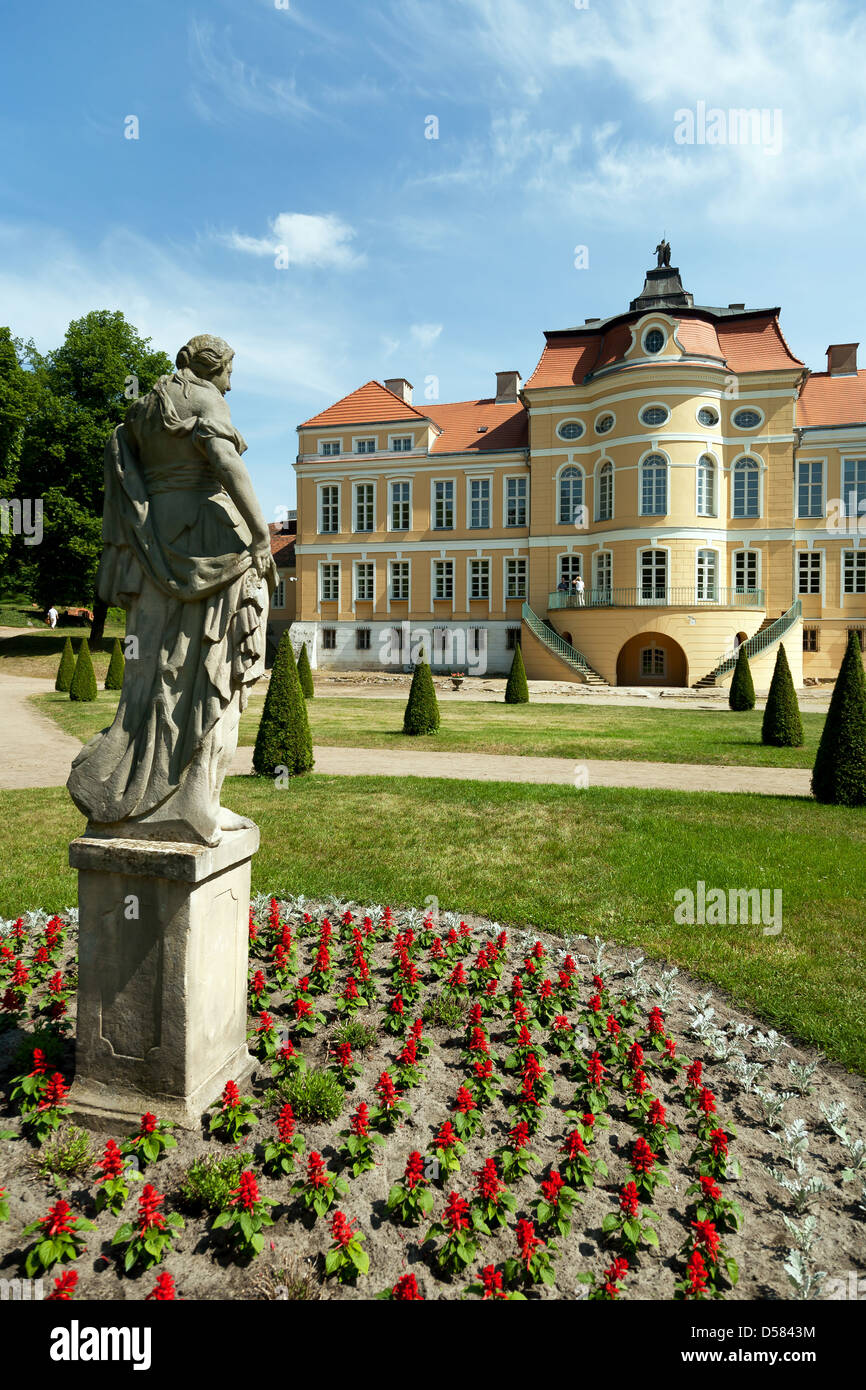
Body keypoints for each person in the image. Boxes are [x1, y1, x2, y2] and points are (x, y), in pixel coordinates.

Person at [67, 334, 277, 846]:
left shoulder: (140, 411)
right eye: (230, 370)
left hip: (153, 548)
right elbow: (226, 464)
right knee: (215, 675)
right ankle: (195, 802)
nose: (232, 381)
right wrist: (262, 532)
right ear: (215, 367)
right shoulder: (205, 397)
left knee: (156, 676)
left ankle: (144, 793)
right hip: (213, 540)